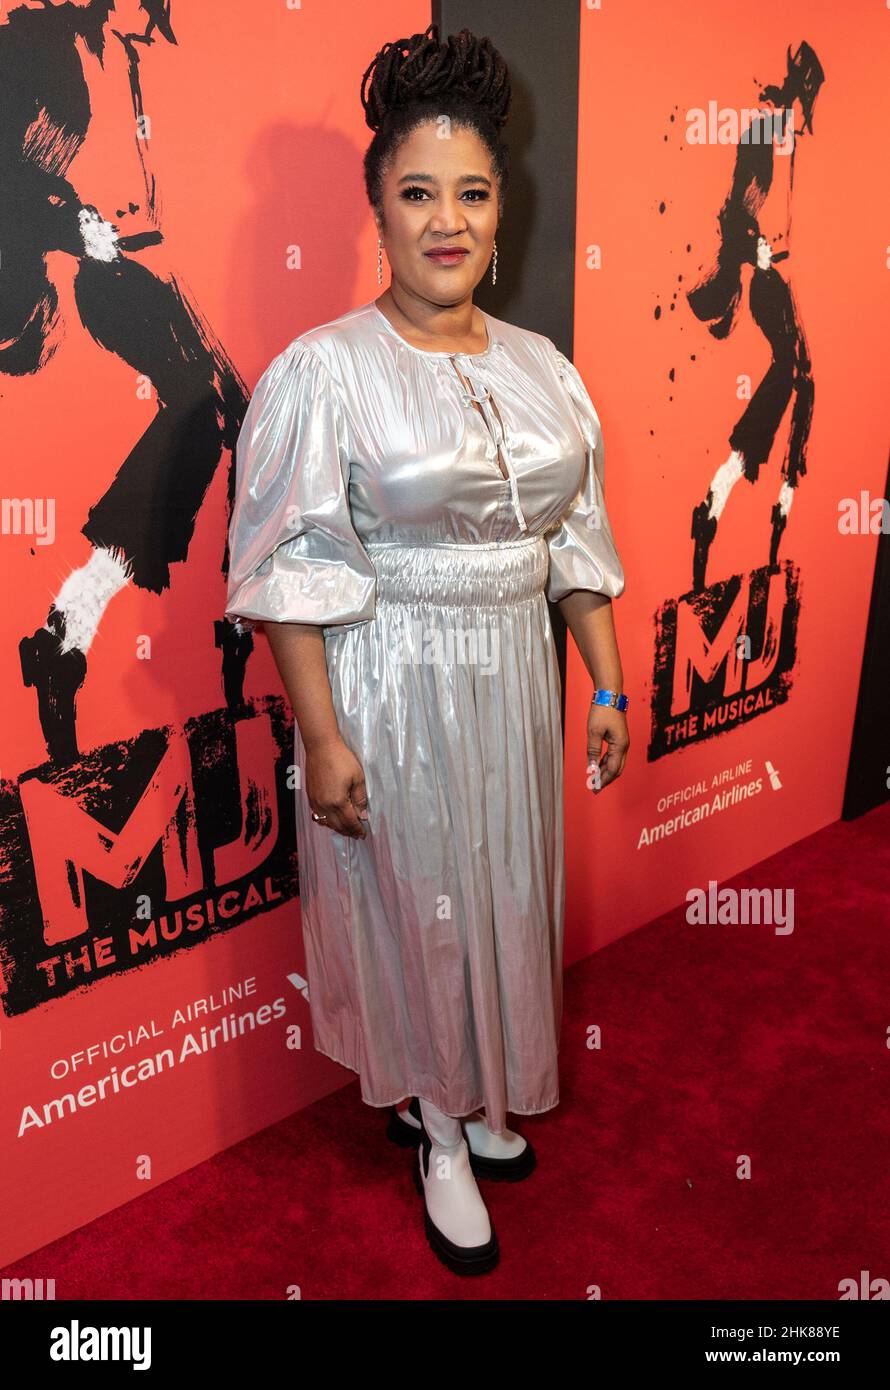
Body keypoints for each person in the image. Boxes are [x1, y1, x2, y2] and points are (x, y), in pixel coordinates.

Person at [225, 24, 629, 1277]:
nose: (443, 220)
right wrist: (323, 734)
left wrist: (606, 679)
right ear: (378, 213)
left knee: (503, 888)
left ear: (499, 207)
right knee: (415, 909)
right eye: (415, 193)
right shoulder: (323, 372)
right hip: (389, 680)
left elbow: (577, 535)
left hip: (516, 676)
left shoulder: (542, 369)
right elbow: (286, 567)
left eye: (469, 190)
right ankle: (438, 1129)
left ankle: (475, 1087)